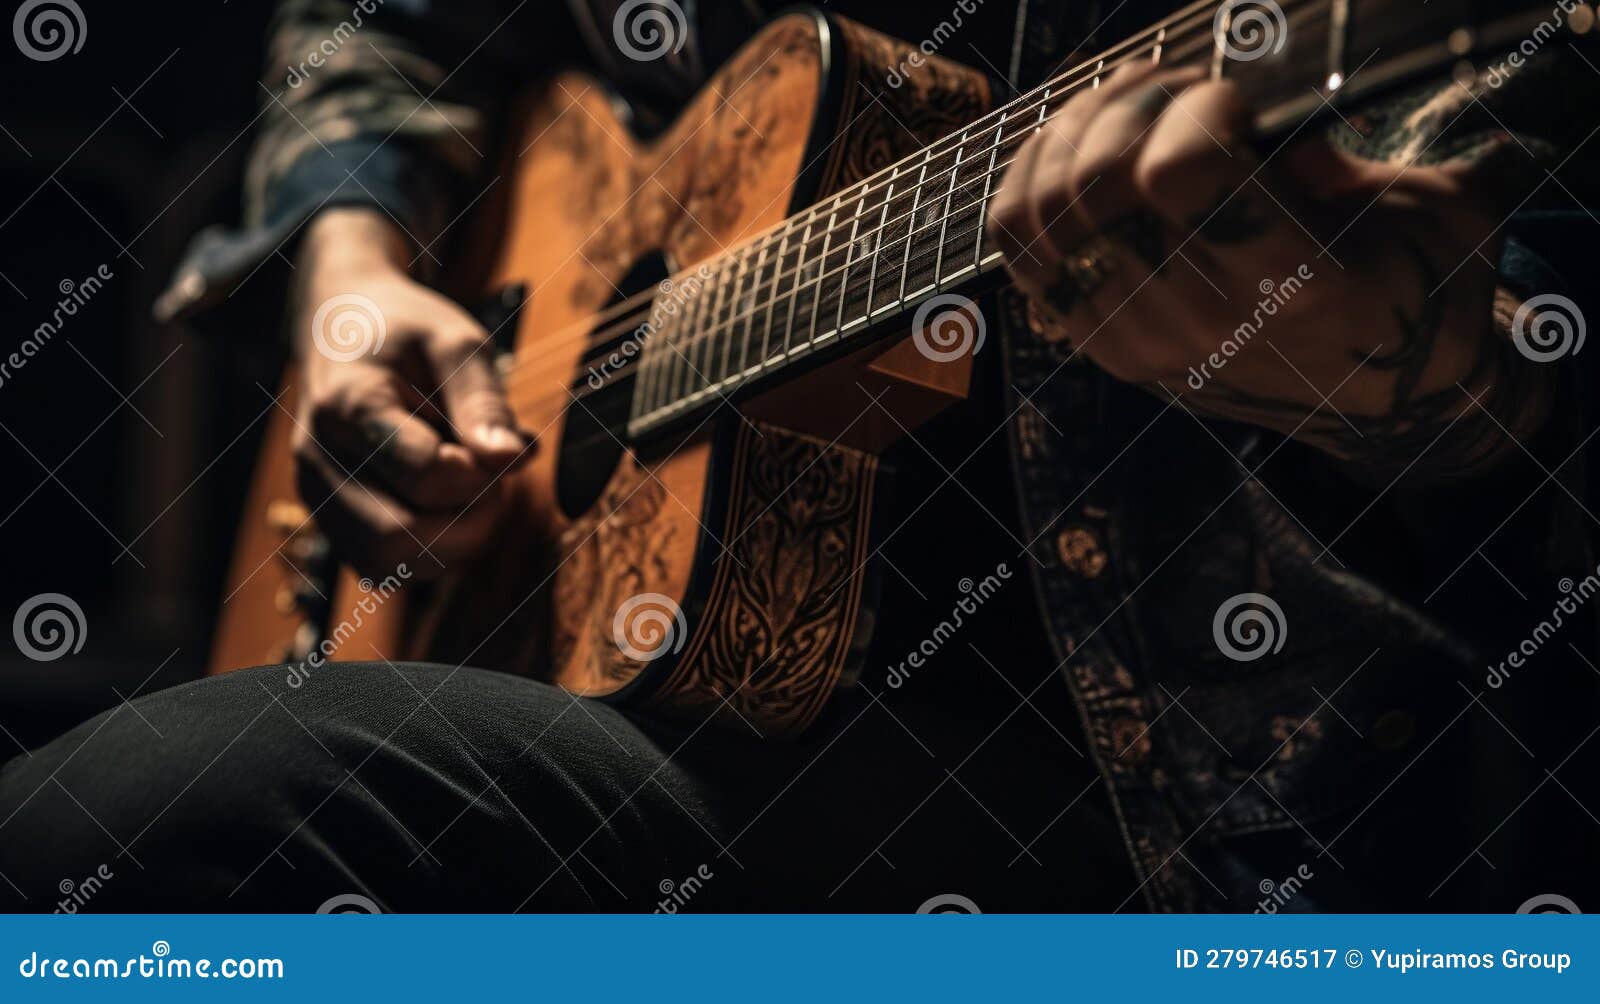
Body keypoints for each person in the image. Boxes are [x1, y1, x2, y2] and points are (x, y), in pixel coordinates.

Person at [2, 0, 1597, 912]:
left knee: (157, 813)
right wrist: (351, 263)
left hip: (1154, 809)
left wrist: (1393, 362)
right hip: (655, 709)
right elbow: (377, 28)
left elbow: (1519, 406)